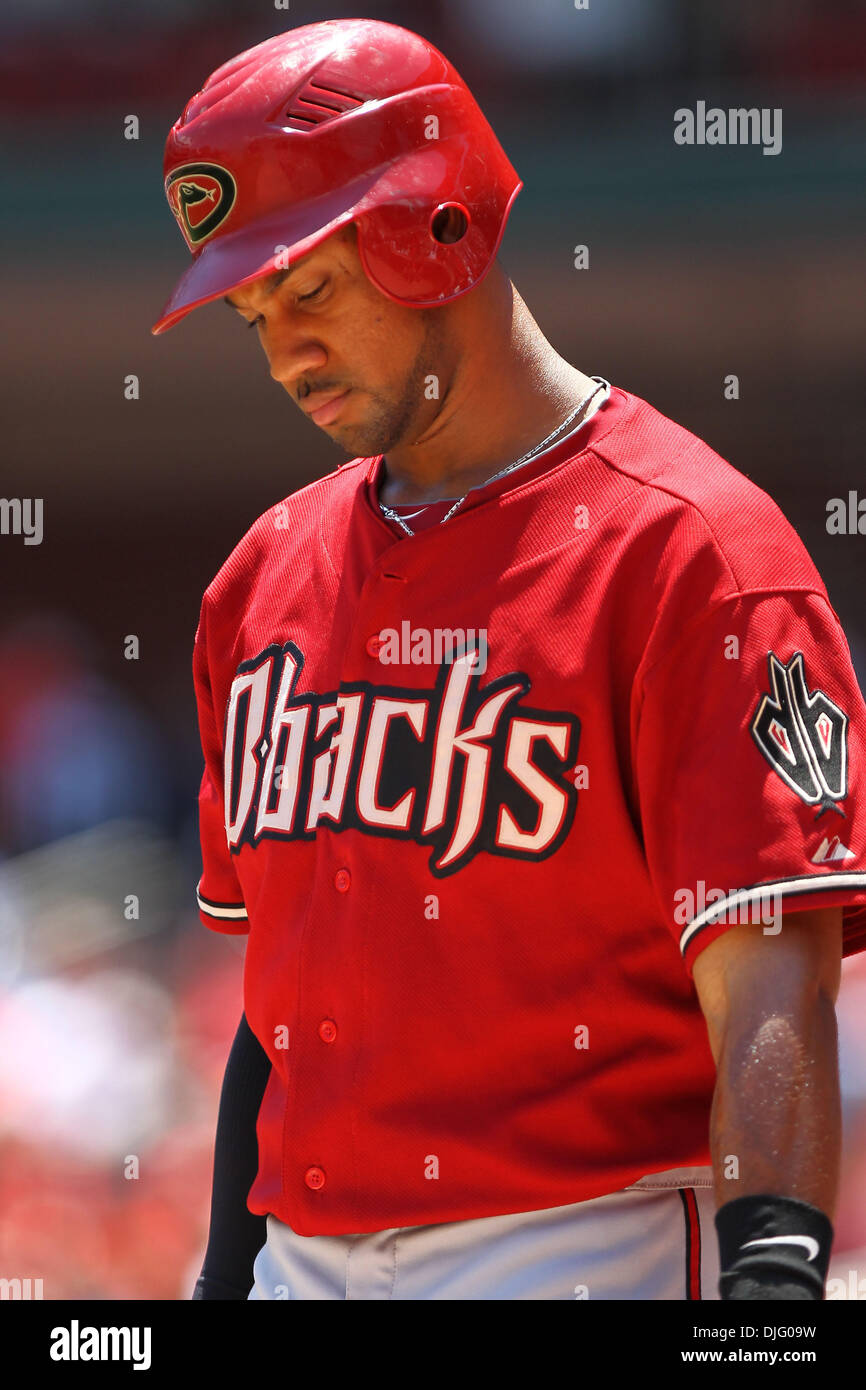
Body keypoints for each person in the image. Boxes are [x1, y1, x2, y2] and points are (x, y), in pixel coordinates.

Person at [153, 19, 866, 1300]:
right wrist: (221, 1278)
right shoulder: (259, 577)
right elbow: (279, 1006)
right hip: (301, 1262)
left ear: (439, 230)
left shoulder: (692, 550)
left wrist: (774, 1285)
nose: (282, 351)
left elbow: (771, 976)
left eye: (306, 288)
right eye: (255, 312)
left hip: (583, 1245)